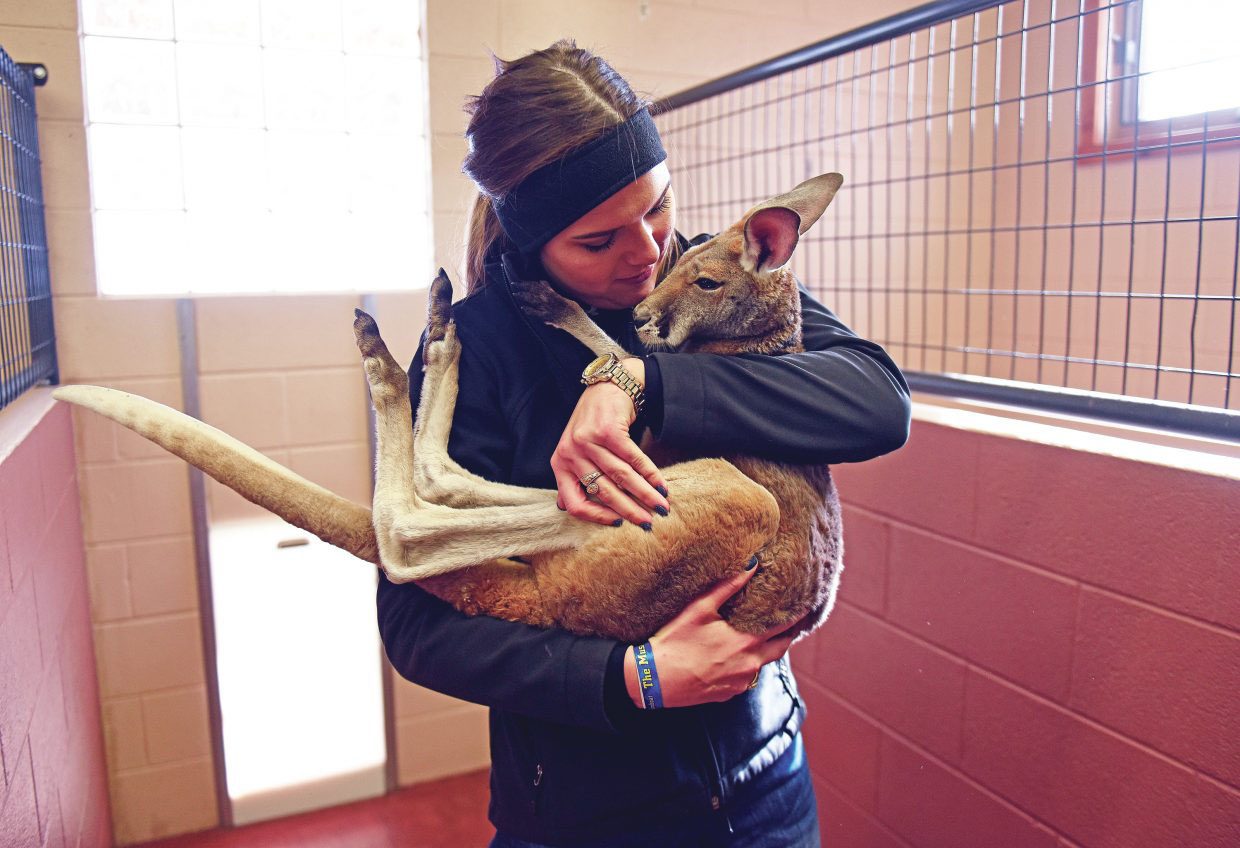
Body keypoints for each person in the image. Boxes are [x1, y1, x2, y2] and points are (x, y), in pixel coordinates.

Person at [377, 40, 910, 848]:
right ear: (532, 239)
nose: (649, 252)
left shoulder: (708, 275)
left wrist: (643, 382)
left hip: (766, 780)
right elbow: (416, 624)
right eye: (599, 242)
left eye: (657, 205)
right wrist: (632, 678)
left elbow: (877, 400)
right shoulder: (474, 350)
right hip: (588, 815)